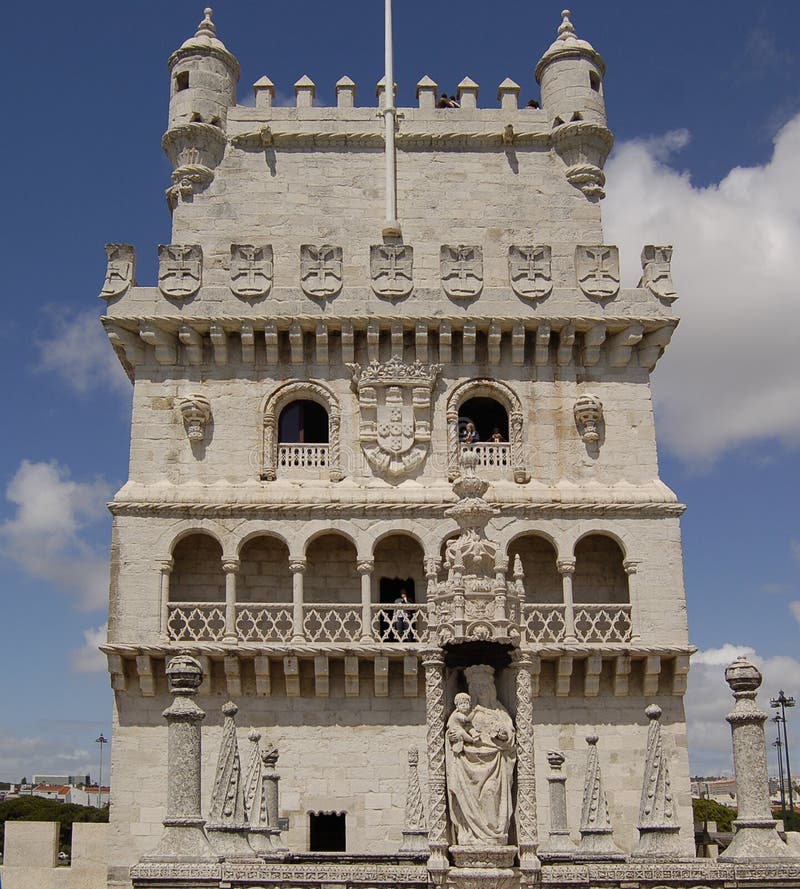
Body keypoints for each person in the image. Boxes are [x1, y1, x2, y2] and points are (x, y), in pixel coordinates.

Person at [445, 664, 516, 845]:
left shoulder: (499, 711)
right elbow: (453, 730)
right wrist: (452, 736)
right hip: (468, 764)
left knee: (490, 793)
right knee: (468, 799)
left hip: (495, 764)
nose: (482, 690)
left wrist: (502, 734)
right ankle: (469, 835)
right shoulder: (467, 713)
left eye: (485, 686)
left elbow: (510, 738)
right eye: (477, 687)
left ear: (492, 688)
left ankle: (493, 835)